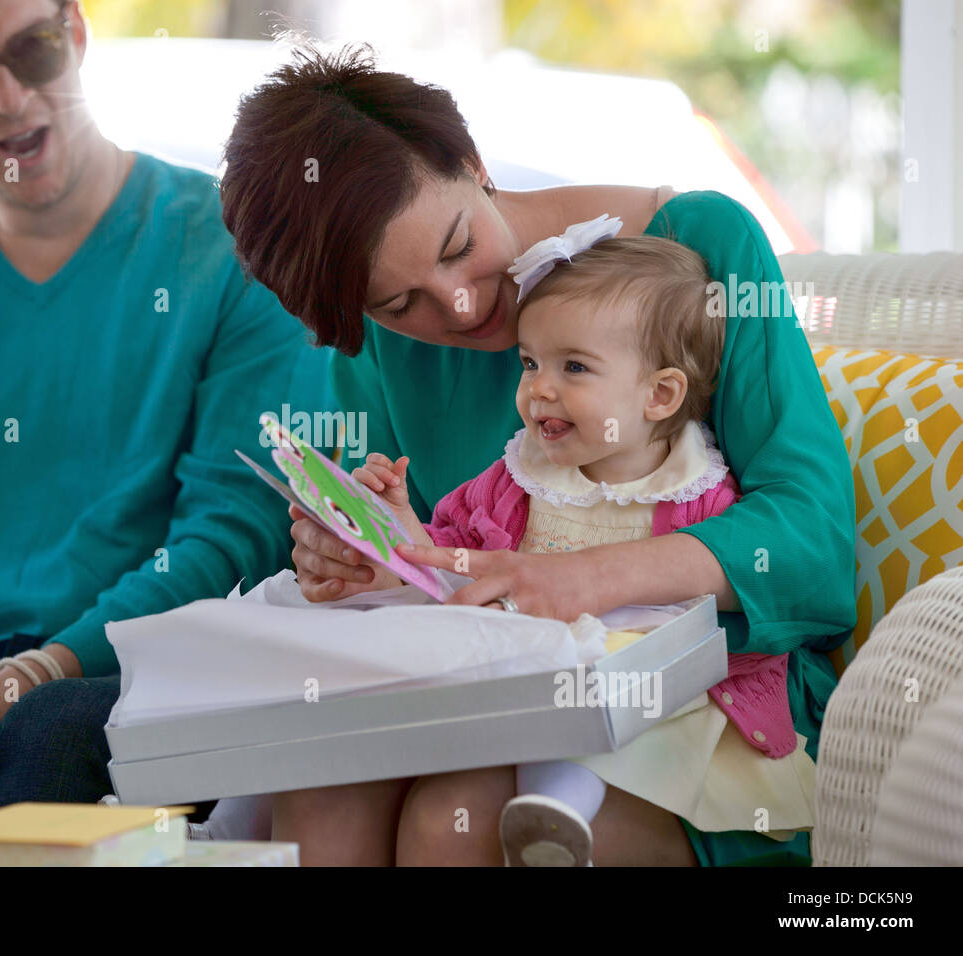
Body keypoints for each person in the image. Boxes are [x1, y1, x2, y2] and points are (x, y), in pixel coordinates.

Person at [217, 45, 856, 866]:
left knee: (455, 822)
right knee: (324, 785)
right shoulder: (373, 349)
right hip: (477, 698)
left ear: (474, 165)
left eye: (457, 245)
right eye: (399, 302)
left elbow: (813, 544)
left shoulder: (697, 246)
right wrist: (352, 557)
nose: (461, 303)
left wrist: (580, 577)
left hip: (700, 705)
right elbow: (420, 559)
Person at [0, 0, 331, 830]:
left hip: (142, 665)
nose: (9, 100)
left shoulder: (232, 246)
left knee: (48, 734)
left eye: (34, 50)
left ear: (76, 34)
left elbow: (231, 534)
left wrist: (33, 679)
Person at [301, 231, 813, 865]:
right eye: (529, 363)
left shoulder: (698, 494)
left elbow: (740, 622)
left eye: (573, 367)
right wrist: (396, 524)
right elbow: (448, 559)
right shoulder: (518, 478)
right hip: (519, 702)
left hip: (651, 715)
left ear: (660, 395)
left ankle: (559, 815)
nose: (539, 388)